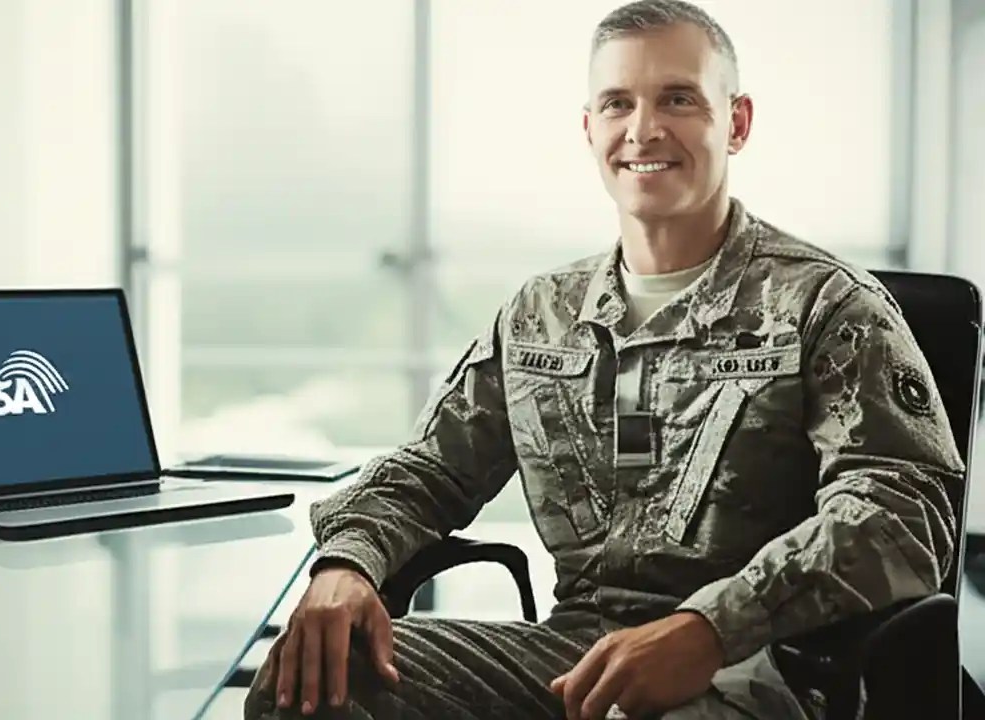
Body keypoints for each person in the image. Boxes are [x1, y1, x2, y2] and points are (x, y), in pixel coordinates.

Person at [244, 1, 963, 718]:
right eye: (618, 103)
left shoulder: (828, 306)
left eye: (678, 98)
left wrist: (711, 627)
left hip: (756, 666)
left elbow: (901, 512)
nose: (643, 129)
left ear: (736, 123)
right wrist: (346, 563)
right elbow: (430, 470)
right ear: (590, 129)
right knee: (305, 683)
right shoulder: (540, 315)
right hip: (577, 658)